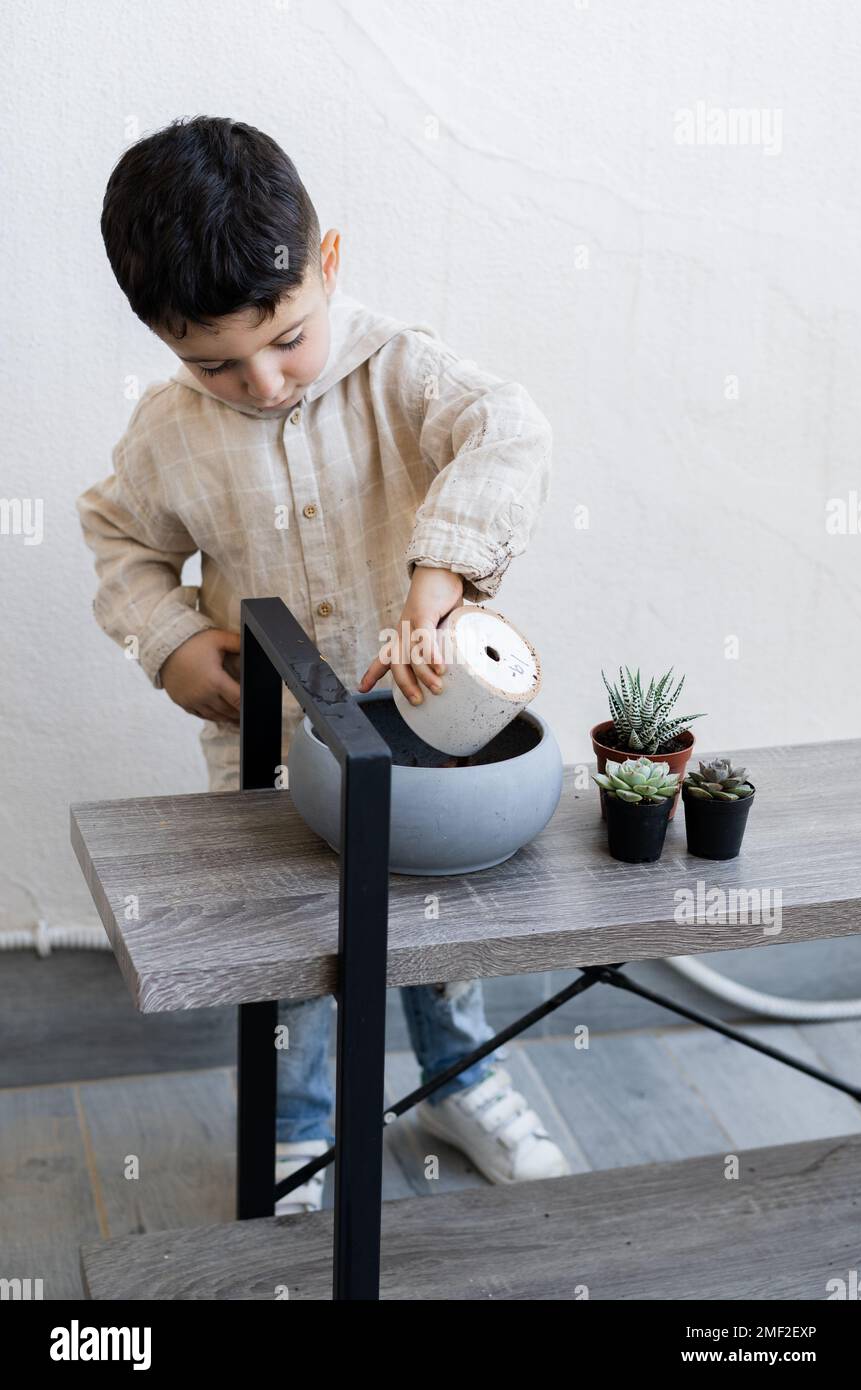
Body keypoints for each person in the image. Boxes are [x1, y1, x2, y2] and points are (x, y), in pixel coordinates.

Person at [77, 115, 567, 1214]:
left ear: (325, 262)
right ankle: (300, 1132)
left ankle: (458, 1078)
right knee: (300, 949)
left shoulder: (401, 373)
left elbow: (511, 429)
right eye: (213, 362)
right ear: (160, 337)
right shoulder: (166, 434)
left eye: (286, 339)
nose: (258, 381)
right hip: (277, 752)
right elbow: (121, 541)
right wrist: (168, 642)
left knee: (443, 919)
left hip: (429, 729)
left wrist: (436, 583)